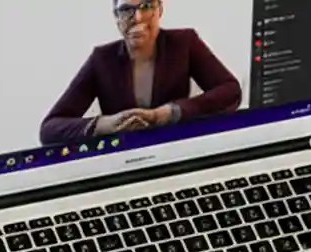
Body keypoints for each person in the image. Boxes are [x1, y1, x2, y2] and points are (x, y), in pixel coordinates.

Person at [39, 0, 242, 145]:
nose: (137, 18)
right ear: (116, 18)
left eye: (146, 6)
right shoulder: (102, 59)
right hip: (122, 159)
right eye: (126, 9)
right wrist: (105, 124)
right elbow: (50, 128)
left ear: (160, 8)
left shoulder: (184, 42)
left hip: (175, 150)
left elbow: (230, 91)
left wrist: (168, 113)